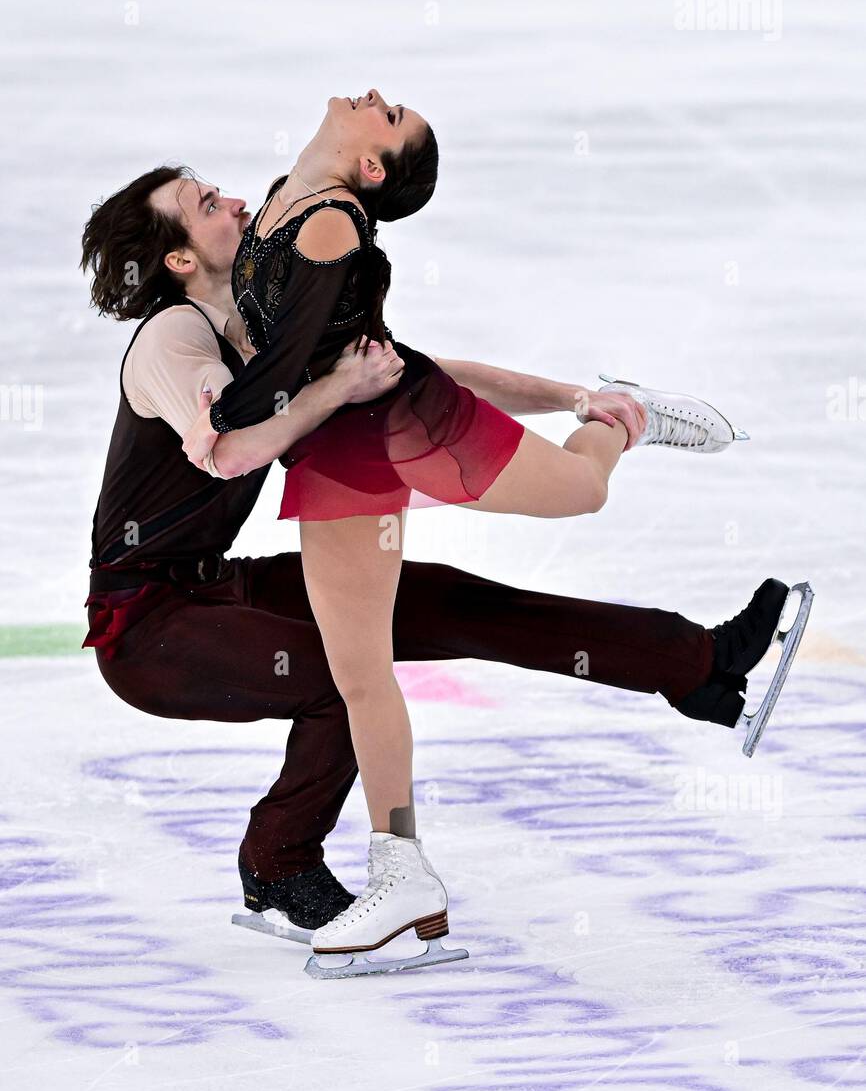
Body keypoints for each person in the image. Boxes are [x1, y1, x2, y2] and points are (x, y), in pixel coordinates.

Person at [79, 161, 795, 957]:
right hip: (146, 627)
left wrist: (572, 399)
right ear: (179, 259)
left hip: (218, 584)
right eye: (208, 204)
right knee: (345, 682)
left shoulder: (261, 318)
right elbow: (230, 452)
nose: (237, 199)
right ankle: (279, 861)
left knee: (451, 603)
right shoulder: (173, 337)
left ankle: (698, 664)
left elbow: (427, 379)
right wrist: (334, 387)